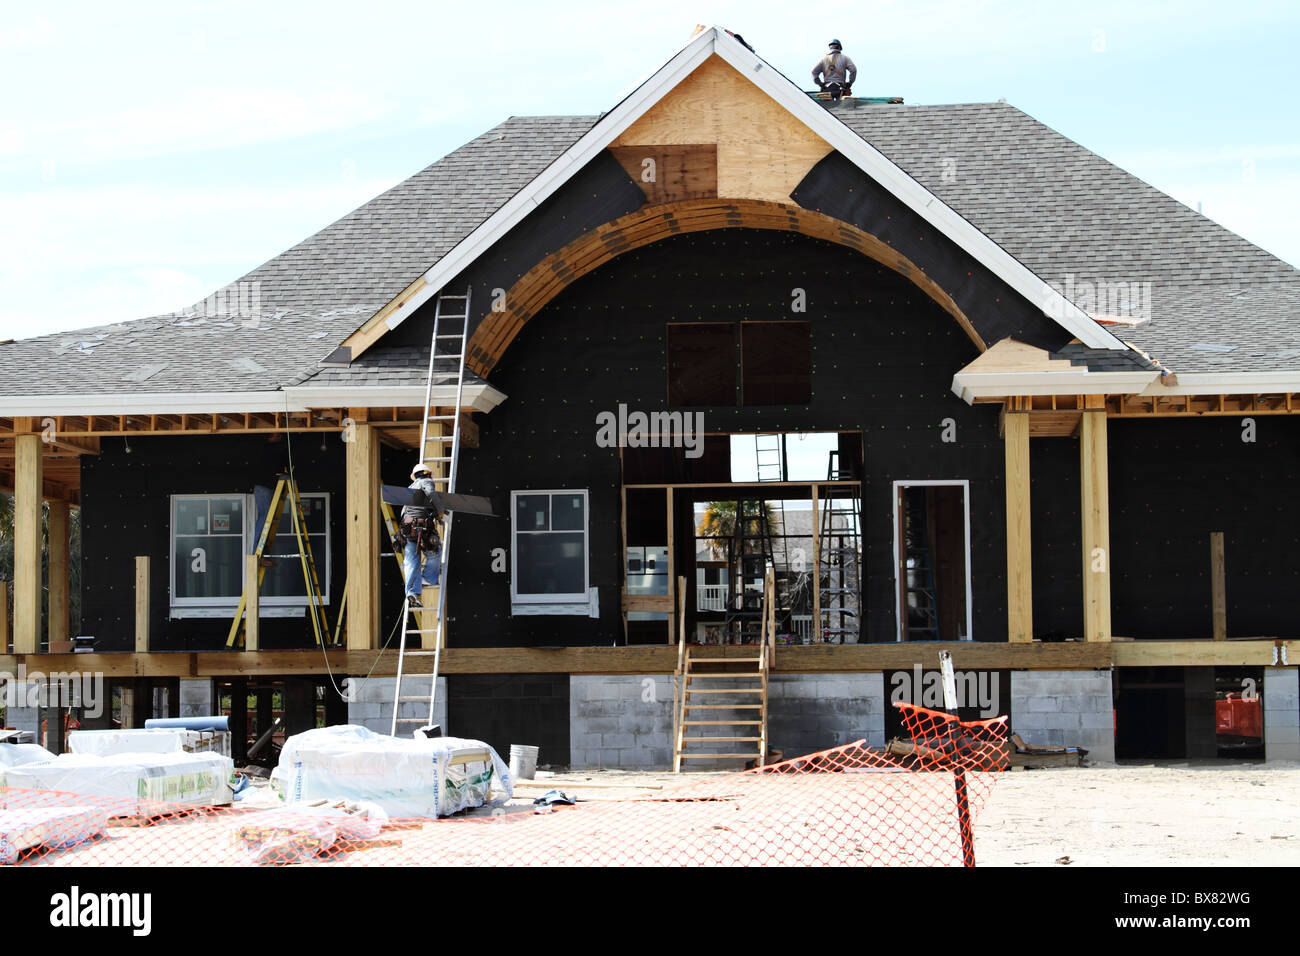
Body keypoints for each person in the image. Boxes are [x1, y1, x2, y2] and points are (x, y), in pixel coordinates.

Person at [399, 463, 442, 607]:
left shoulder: (410, 488)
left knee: (411, 561)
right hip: (422, 528)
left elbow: (403, 512)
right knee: (435, 551)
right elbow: (431, 494)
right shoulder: (426, 482)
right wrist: (440, 510)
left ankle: (411, 592)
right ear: (427, 474)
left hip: (407, 529)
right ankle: (428, 578)